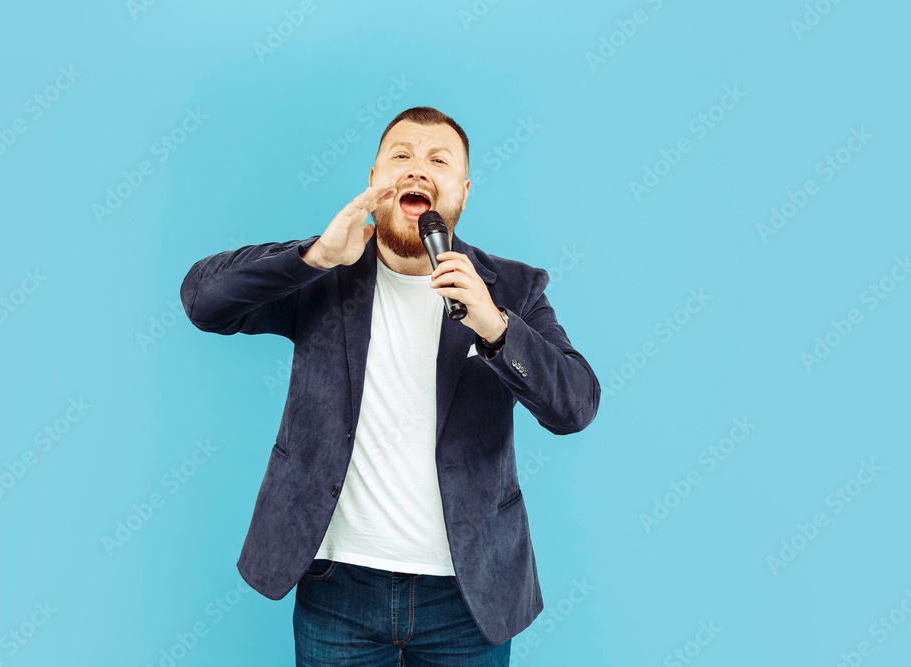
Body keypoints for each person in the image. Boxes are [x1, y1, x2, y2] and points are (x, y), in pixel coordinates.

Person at [179, 106, 600, 666]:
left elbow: (575, 406)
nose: (417, 168)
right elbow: (202, 301)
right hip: (338, 588)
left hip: (469, 595)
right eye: (401, 155)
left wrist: (496, 327)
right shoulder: (324, 271)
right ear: (375, 179)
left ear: (463, 191)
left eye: (439, 160)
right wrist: (314, 258)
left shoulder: (511, 289)